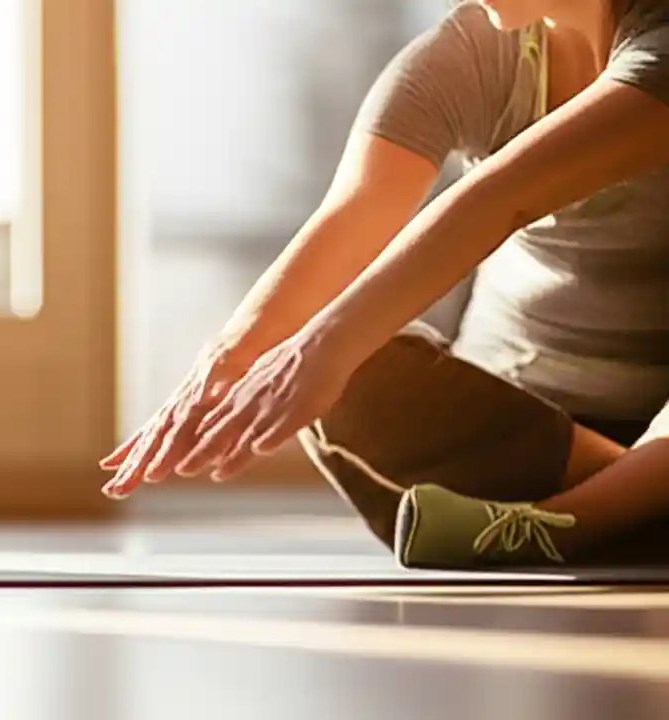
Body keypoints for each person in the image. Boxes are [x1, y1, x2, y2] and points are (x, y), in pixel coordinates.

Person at [101, 0, 669, 569]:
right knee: (326, 370)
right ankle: (635, 503)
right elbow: (355, 209)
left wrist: (327, 345)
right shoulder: (471, 53)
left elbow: (501, 199)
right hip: (531, 431)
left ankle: (573, 526)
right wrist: (235, 356)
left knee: (329, 346)